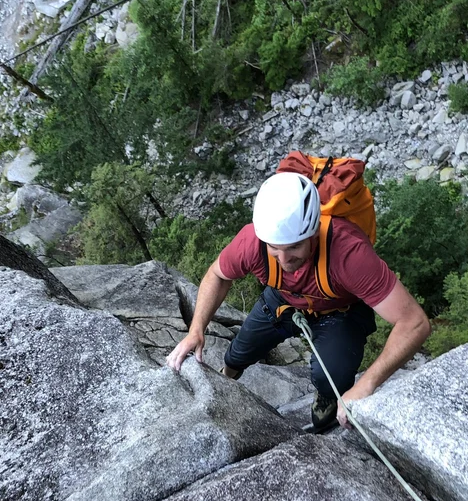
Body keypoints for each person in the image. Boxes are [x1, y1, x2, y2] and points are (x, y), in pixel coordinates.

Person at [166, 172, 430, 431]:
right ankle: (226, 380)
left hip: (339, 311)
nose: (283, 259)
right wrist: (196, 329)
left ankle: (327, 402)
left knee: (331, 378)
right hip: (282, 300)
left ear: (314, 232)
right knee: (239, 351)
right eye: (275, 247)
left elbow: (414, 322)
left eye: (294, 247)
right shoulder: (253, 242)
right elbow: (218, 275)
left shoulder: (349, 254)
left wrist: (367, 384)